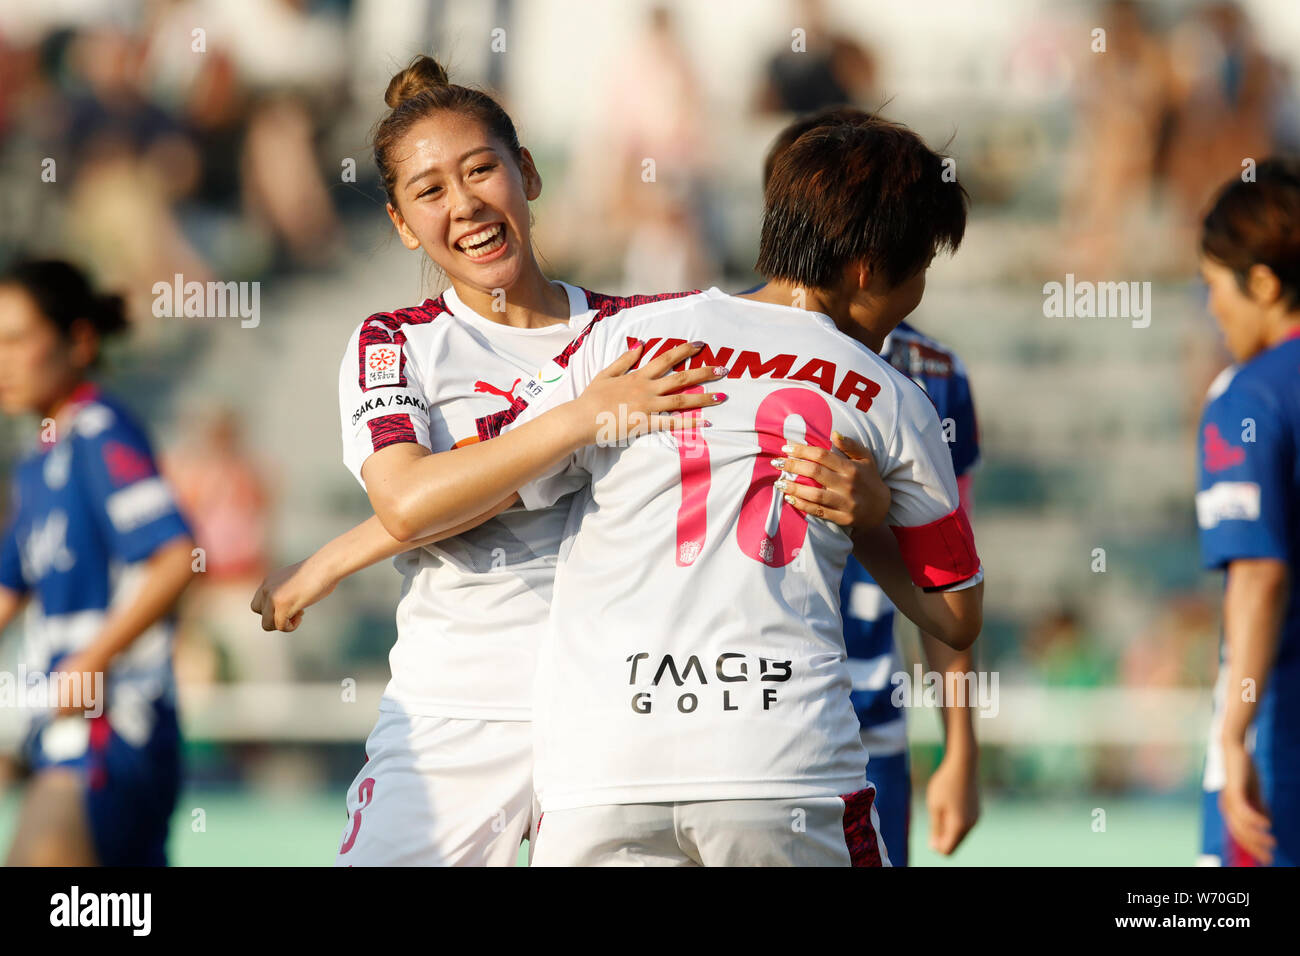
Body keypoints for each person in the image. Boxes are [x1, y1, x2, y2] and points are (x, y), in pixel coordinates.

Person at [251, 57, 908, 867]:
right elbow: (411, 502)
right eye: (429, 191)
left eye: (482, 169)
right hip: (464, 710)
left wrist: (872, 505)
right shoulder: (400, 343)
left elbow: (771, 442)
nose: (464, 206)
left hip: (624, 718)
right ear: (399, 221)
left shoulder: (642, 328)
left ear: (526, 173)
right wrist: (582, 418)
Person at [499, 118, 982, 866]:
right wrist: (871, 519)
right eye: (919, 267)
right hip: (784, 771)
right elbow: (956, 614)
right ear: (865, 267)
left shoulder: (621, 339)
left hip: (599, 773)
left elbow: (491, 484)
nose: (916, 296)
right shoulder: (893, 397)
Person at [756, 106, 982, 865]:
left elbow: (951, 586)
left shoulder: (929, 379)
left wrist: (960, 748)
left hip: (864, 726)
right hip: (741, 719)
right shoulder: (706, 350)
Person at [0, 259, 195, 865]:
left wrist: (91, 661)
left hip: (116, 720)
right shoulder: (38, 462)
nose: (0, 359)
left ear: (78, 341)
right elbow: (8, 591)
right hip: (64, 728)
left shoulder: (101, 431)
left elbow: (174, 557)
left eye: (15, 340)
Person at [1194, 157, 1300, 868]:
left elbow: (1259, 573)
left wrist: (1235, 733)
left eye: (1213, 287)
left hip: (1282, 731)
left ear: (1261, 282)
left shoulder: (1250, 398)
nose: (1213, 309)